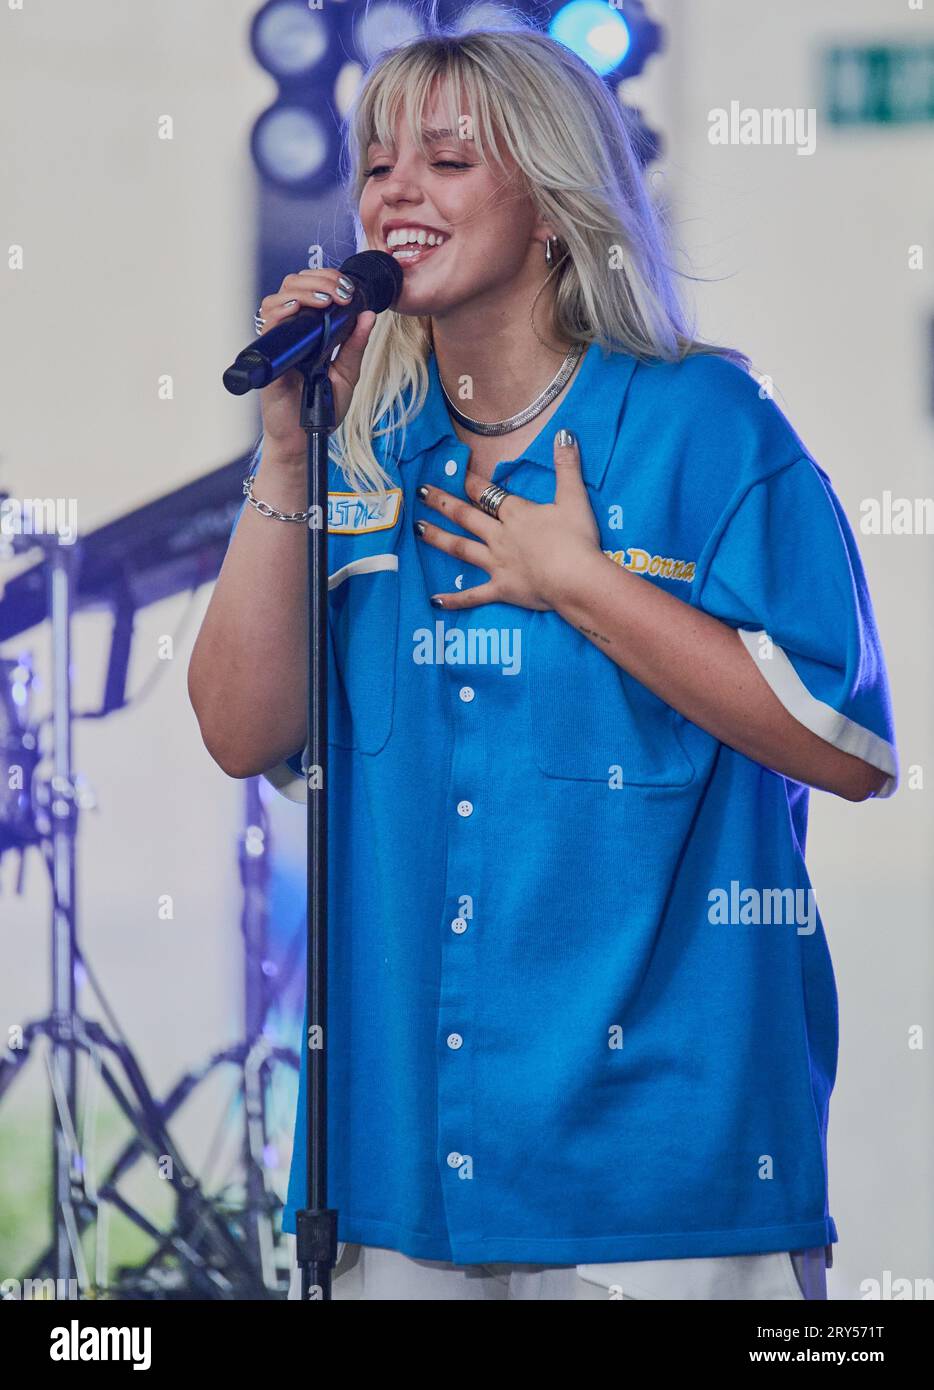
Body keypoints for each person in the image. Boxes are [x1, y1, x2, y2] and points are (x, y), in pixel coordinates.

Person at [188, 26, 898, 1301]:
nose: (393, 192)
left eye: (447, 159)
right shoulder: (364, 444)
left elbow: (847, 748)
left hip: (667, 1178)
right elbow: (242, 734)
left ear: (558, 207)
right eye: (376, 164)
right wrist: (288, 457)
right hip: (398, 1163)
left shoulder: (705, 427)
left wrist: (581, 582)